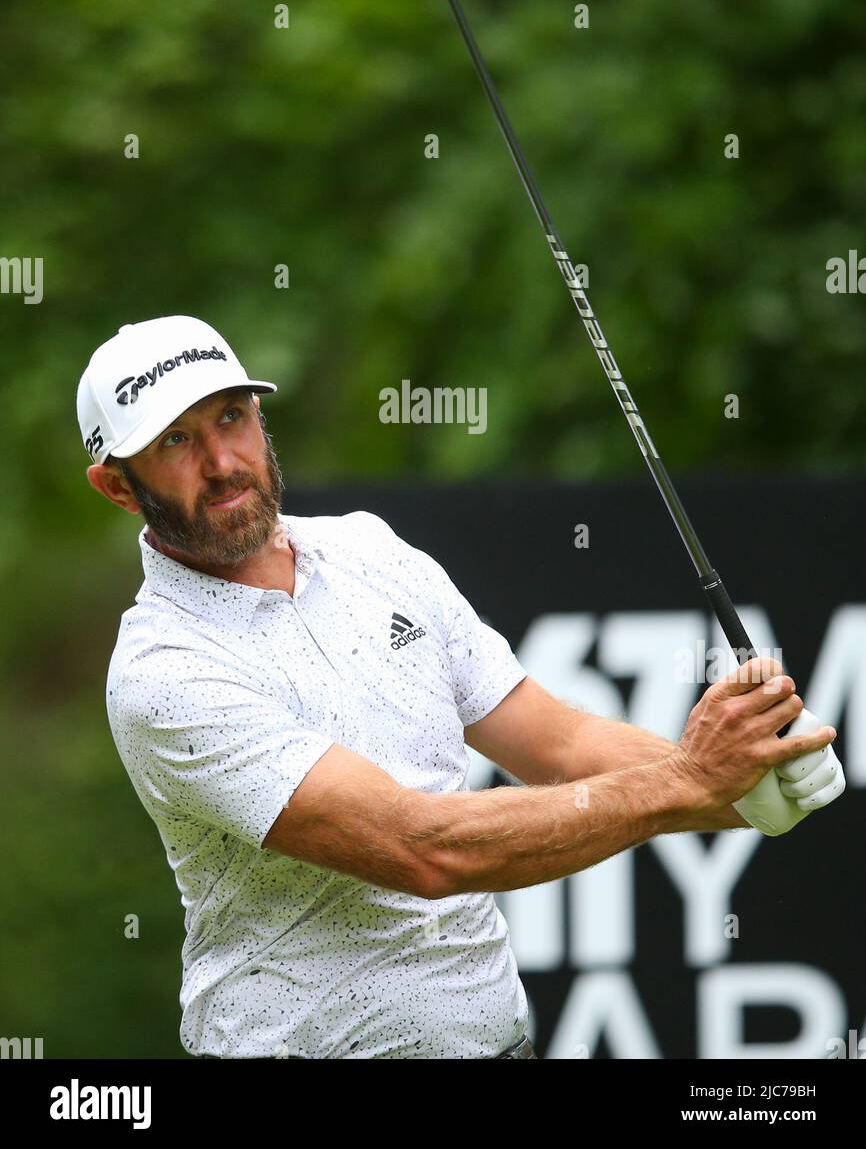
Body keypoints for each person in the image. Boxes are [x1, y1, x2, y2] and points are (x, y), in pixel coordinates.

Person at [77, 315, 842, 1060]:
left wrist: (742, 791)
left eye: (232, 418)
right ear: (117, 485)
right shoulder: (165, 673)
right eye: (177, 440)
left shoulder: (369, 549)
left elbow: (561, 745)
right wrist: (689, 781)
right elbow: (423, 849)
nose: (222, 462)